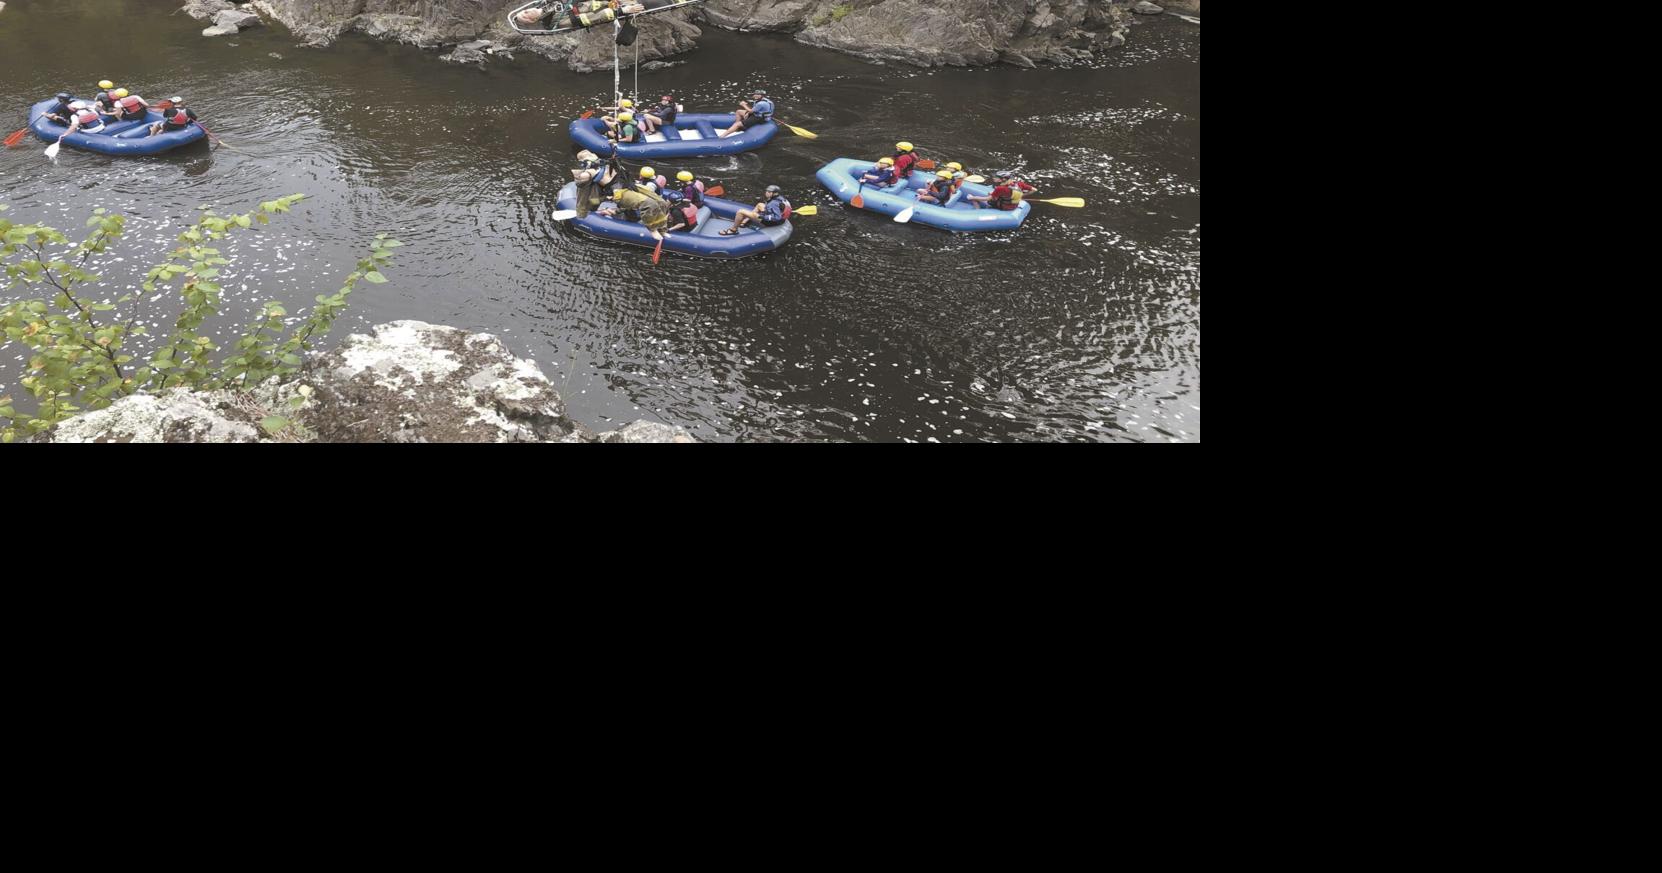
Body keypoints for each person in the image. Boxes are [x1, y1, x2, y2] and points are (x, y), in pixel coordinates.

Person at [721, 184, 790, 235]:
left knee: (740, 212)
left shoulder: (773, 203)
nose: (766, 193)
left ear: (774, 193)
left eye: (769, 192)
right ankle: (744, 221)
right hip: (780, 219)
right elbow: (786, 208)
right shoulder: (781, 198)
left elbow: (777, 217)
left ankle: (733, 230)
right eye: (767, 191)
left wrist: (762, 216)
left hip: (772, 222)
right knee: (760, 204)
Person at [967, 174, 1037, 211]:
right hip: (1014, 205)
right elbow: (1034, 189)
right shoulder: (1018, 183)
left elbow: (987, 199)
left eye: (996, 177)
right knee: (991, 193)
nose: (994, 178)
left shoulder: (1000, 188)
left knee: (975, 199)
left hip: (1004, 207)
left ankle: (978, 212)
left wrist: (972, 197)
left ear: (1003, 179)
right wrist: (1022, 196)